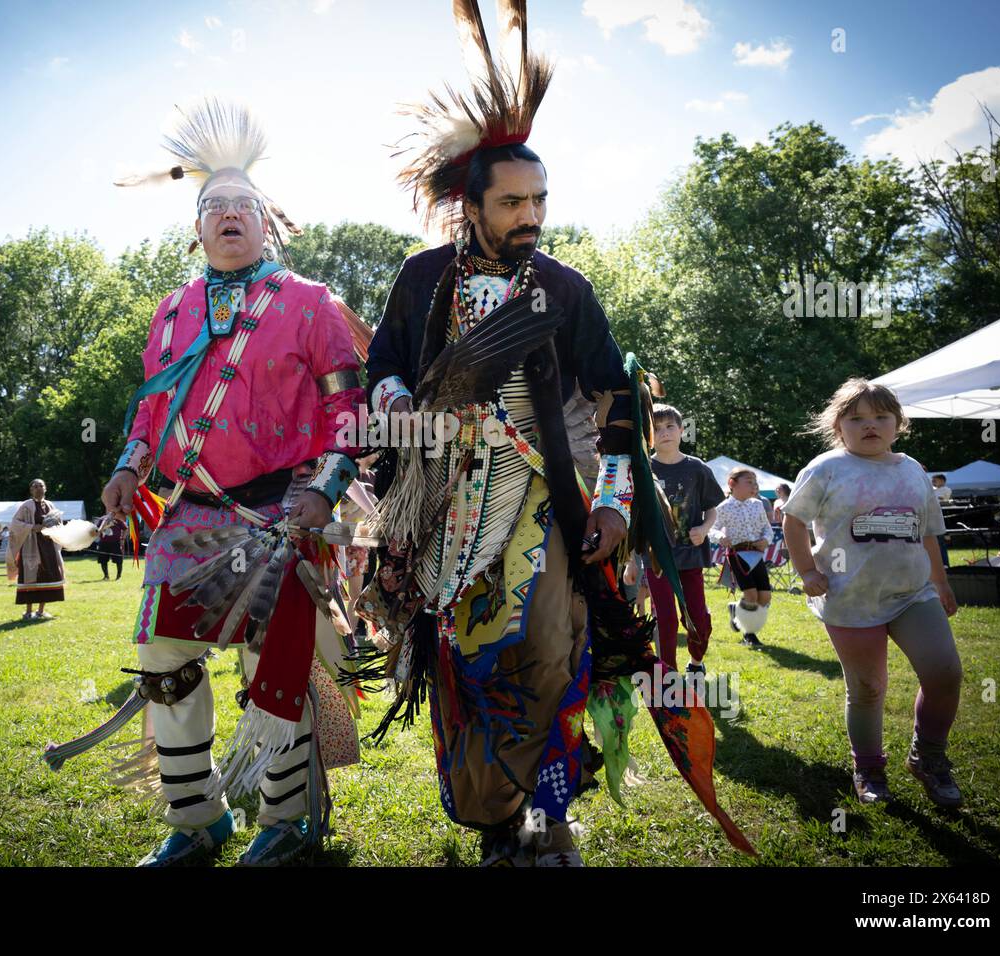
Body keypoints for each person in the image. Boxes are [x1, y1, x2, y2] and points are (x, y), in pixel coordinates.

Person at [358, 6, 733, 867]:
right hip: (443, 504)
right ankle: (496, 820)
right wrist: (411, 410)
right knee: (467, 657)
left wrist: (609, 501)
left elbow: (616, 398)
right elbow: (380, 365)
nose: (531, 213)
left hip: (547, 500)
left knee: (553, 658)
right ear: (471, 205)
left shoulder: (563, 288)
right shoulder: (422, 278)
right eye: (513, 201)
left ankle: (554, 817)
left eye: (540, 199)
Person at [98, 98, 366, 868]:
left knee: (269, 666)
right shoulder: (172, 310)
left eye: (242, 206)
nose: (228, 217)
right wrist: (128, 463)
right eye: (213, 208)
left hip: (283, 509)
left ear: (266, 220)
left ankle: (286, 820)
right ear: (196, 227)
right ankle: (196, 819)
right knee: (164, 662)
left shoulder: (310, 303)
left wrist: (329, 484)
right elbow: (152, 406)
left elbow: (350, 407)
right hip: (192, 512)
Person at [783, 379, 962, 808]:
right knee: (867, 688)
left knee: (945, 674)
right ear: (838, 426)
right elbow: (794, 522)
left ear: (898, 424)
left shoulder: (912, 469)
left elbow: (929, 532)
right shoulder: (826, 468)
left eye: (881, 416)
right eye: (856, 418)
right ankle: (869, 767)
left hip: (912, 593)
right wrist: (807, 571)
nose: (870, 425)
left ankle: (928, 757)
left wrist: (941, 583)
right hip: (850, 598)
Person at [646, 404, 723, 673]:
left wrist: (704, 529)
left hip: (691, 556)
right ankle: (668, 673)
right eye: (656, 429)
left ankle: (696, 663)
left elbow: (712, 508)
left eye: (670, 427)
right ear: (648, 435)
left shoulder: (697, 469)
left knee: (697, 620)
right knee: (665, 619)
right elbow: (635, 518)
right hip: (657, 559)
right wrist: (633, 562)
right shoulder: (643, 469)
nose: (664, 433)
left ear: (681, 430)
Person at [709, 468, 774, 649]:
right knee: (751, 595)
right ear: (732, 484)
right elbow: (711, 529)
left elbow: (767, 529)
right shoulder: (723, 508)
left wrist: (766, 540)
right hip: (737, 555)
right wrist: (720, 537)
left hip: (756, 555)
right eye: (749, 482)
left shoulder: (758, 504)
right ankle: (749, 634)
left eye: (755, 481)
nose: (754, 485)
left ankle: (736, 610)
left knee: (765, 597)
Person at [8, 480, 66, 619]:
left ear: (45, 489)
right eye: (35, 486)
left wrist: (54, 526)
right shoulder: (26, 506)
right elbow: (15, 523)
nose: (38, 488)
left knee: (47, 575)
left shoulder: (50, 505)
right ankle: (28, 612)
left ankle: (40, 611)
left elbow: (59, 523)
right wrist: (32, 527)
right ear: (31, 490)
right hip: (31, 547)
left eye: (41, 486)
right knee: (30, 577)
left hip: (48, 546)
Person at [94, 515, 124, 581]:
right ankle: (106, 576)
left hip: (116, 543)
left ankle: (118, 577)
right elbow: (98, 530)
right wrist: (108, 525)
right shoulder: (102, 519)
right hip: (104, 543)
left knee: (119, 560)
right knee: (103, 560)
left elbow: (125, 528)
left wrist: (122, 539)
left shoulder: (118, 519)